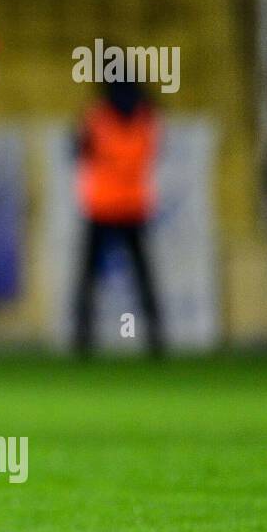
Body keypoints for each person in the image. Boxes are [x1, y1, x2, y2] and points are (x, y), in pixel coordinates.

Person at [73, 76, 164, 355]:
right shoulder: (146, 116)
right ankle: (156, 340)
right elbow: (152, 151)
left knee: (89, 279)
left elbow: (79, 150)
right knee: (142, 277)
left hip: (103, 205)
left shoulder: (97, 116)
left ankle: (83, 341)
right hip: (131, 205)